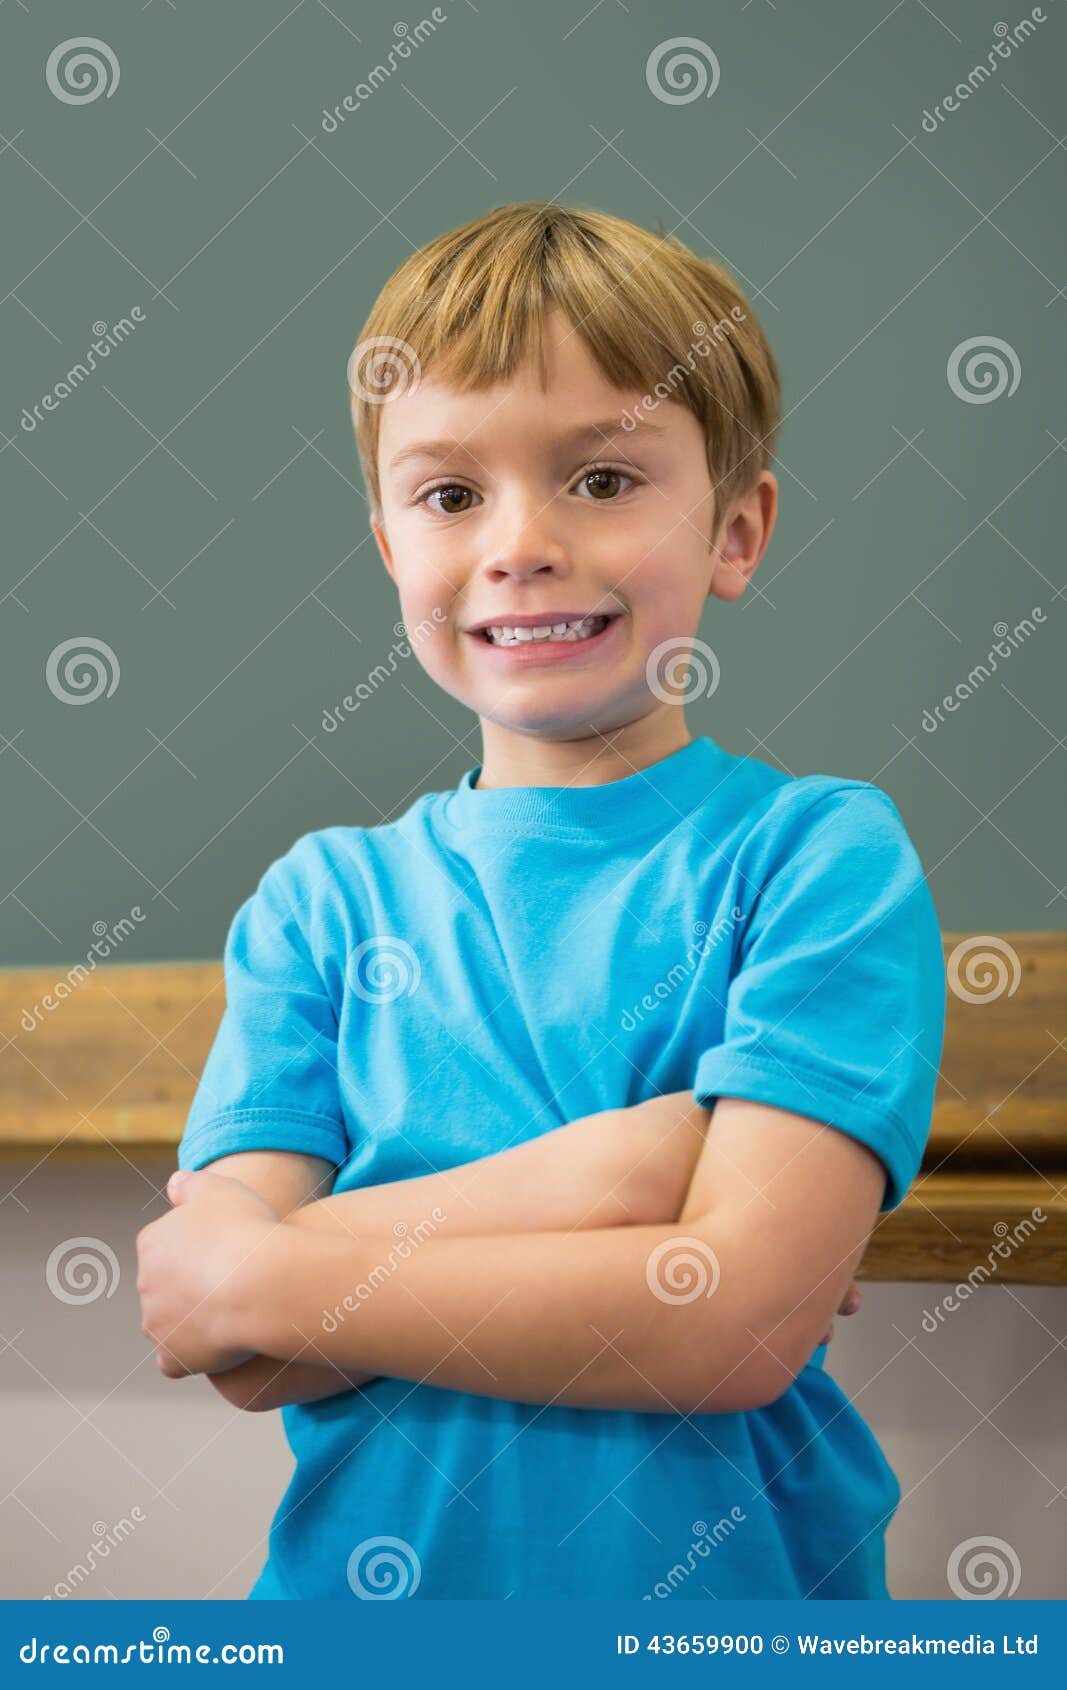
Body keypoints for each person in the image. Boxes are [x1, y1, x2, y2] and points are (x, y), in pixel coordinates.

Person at [137, 202, 946, 1601]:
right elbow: (231, 1342)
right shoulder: (320, 905)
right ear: (391, 546)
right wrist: (622, 1174)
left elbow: (731, 1327)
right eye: (451, 496)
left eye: (604, 478)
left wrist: (277, 1265)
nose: (520, 542)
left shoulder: (818, 858)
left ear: (736, 530)